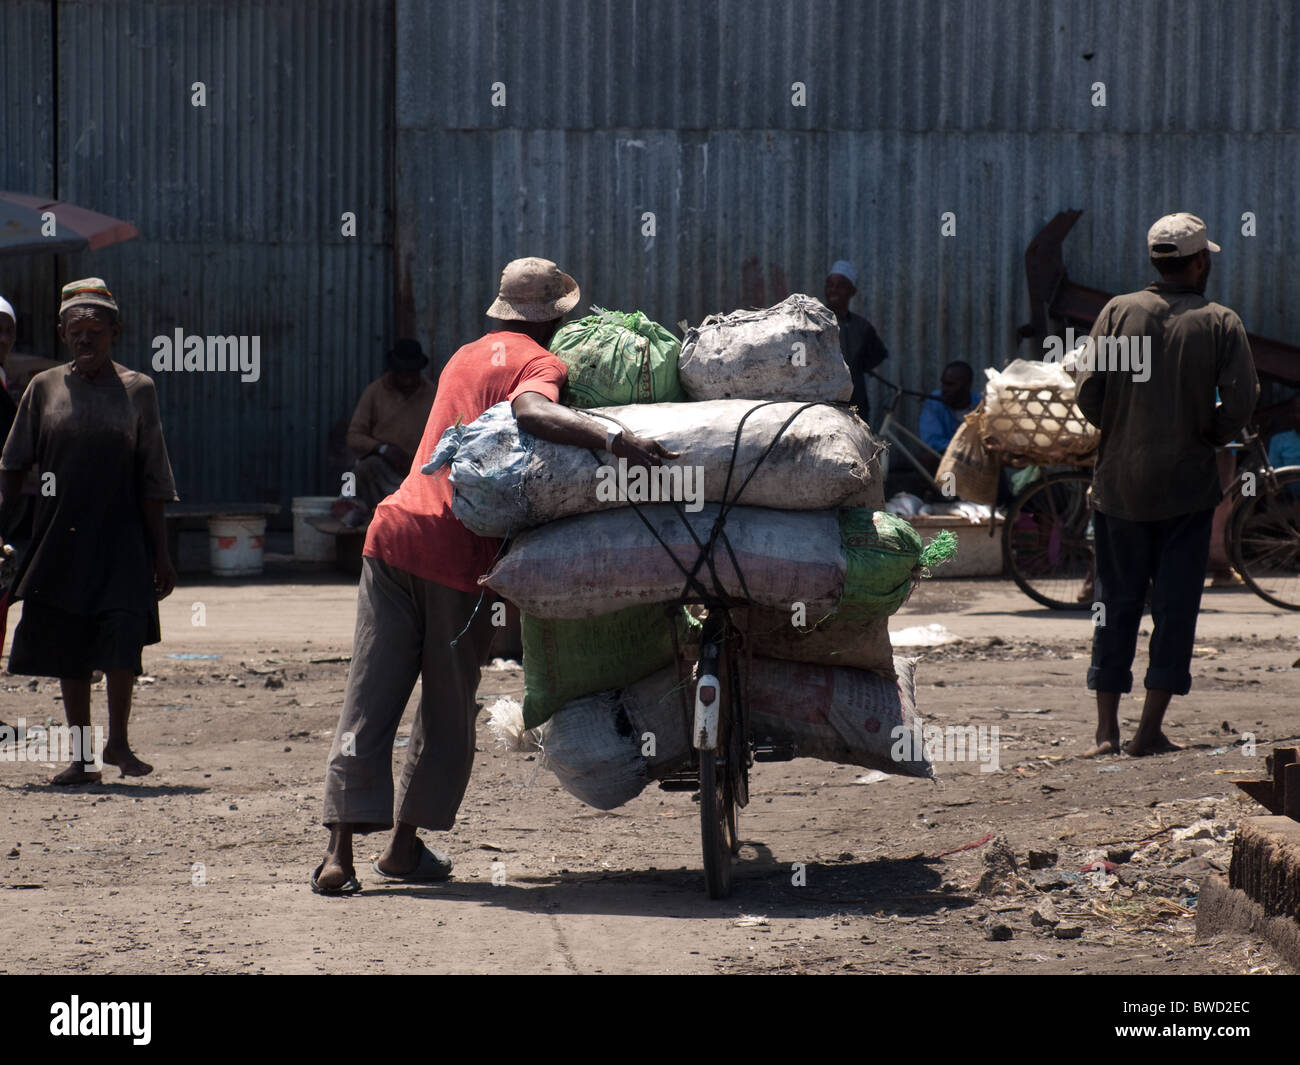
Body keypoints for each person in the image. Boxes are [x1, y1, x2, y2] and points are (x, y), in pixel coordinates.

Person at [314, 258, 677, 895]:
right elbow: (534, 414)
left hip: (392, 532)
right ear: (560, 316)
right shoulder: (544, 364)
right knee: (448, 706)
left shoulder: (462, 355)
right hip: (458, 552)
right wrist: (617, 441)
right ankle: (402, 847)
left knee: (367, 695)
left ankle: (338, 854)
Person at [1077, 214, 1257, 758]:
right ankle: (1147, 732)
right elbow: (1243, 400)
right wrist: (1208, 433)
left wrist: (1126, 426)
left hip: (1119, 487)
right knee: (1175, 610)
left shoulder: (1116, 312)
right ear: (1199, 261)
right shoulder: (1219, 321)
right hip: (1186, 490)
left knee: (1115, 604)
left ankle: (1105, 732)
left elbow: (1088, 393)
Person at [0, 278, 178, 784]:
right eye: (75, 332)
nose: (85, 340)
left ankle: (118, 743)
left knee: (123, 635)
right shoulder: (44, 388)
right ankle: (81, 759)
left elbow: (153, 477)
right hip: (60, 536)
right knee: (69, 646)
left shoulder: (138, 389)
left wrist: (160, 554)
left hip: (123, 538)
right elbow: (13, 465)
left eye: (95, 331)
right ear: (62, 333)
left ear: (115, 331)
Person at [344, 338, 437, 515]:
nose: (408, 381)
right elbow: (354, 436)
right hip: (385, 468)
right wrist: (384, 449)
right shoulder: (375, 391)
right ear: (393, 370)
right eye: (403, 374)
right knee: (363, 470)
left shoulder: (432, 393)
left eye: (412, 374)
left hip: (421, 471)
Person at [824, 261, 888, 425]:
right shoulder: (816, 320)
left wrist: (853, 370)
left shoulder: (862, 327)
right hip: (824, 399)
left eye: (840, 286)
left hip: (855, 401)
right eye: (830, 285)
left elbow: (877, 355)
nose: (834, 290)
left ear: (852, 291)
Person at [919, 361, 982, 454]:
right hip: (947, 456)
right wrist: (963, 450)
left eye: (950, 385)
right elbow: (932, 441)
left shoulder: (981, 404)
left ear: (967, 385)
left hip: (977, 458)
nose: (944, 389)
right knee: (928, 458)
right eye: (943, 384)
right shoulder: (935, 402)